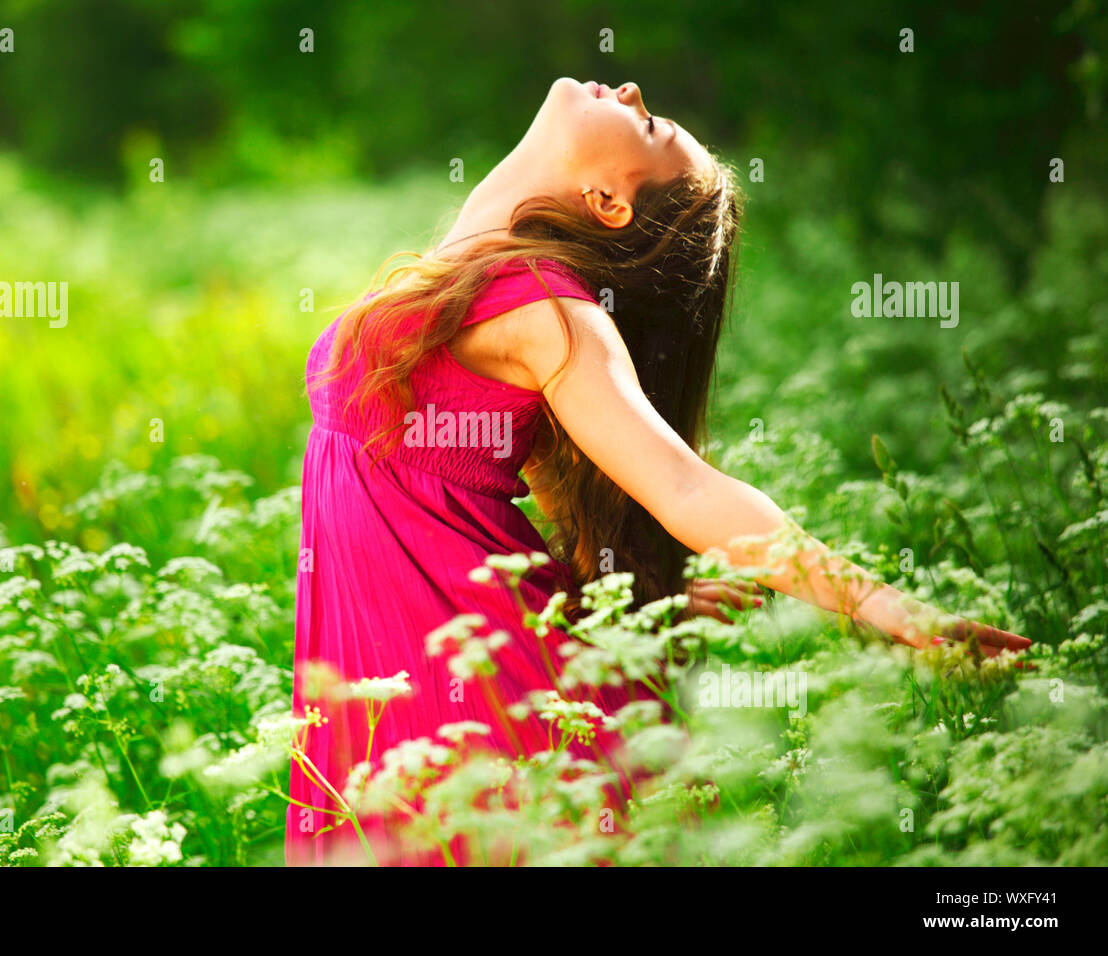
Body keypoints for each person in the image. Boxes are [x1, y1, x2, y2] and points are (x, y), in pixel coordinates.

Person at [286, 78, 1030, 866]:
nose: (633, 89)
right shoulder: (465, 270)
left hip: (464, 677)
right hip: (388, 660)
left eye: (647, 125)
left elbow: (683, 487)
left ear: (608, 199)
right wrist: (616, 602)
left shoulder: (550, 309)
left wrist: (878, 605)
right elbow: (534, 469)